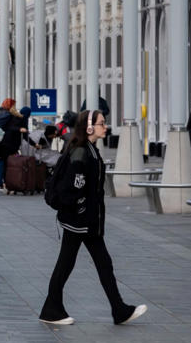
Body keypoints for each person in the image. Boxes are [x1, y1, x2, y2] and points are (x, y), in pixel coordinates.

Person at [39, 110, 147, 326]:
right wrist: (79, 207)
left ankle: (118, 309)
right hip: (80, 220)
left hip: (87, 220)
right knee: (68, 263)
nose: (105, 127)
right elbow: (74, 185)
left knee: (101, 263)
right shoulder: (81, 152)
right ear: (89, 127)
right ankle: (52, 309)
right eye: (101, 123)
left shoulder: (88, 149)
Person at [0, 101, 27, 191]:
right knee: (4, 163)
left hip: (3, 143)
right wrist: (19, 129)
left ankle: (1, 183)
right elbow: (10, 128)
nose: (16, 108)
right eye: (14, 106)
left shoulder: (2, 115)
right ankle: (2, 184)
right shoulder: (9, 116)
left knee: (3, 163)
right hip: (7, 144)